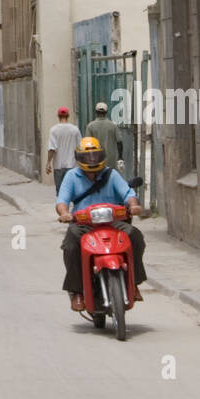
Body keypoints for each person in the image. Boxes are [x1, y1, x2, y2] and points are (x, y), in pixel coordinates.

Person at [55, 136, 147, 312]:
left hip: (113, 223)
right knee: (71, 245)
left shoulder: (111, 174)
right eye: (87, 157)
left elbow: (128, 193)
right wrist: (64, 213)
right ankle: (77, 292)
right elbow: (62, 200)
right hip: (84, 224)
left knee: (135, 236)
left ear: (102, 156)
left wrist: (134, 205)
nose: (92, 160)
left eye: (95, 156)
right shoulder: (71, 176)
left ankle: (133, 282)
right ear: (79, 158)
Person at [45, 107, 81, 192]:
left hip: (59, 166)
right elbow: (80, 147)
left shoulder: (54, 130)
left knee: (61, 193)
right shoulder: (75, 129)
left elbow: (51, 149)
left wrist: (48, 163)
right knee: (73, 192)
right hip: (73, 166)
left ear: (58, 116)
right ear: (68, 116)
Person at [84, 101, 123, 175]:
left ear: (96, 112)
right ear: (106, 112)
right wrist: (120, 157)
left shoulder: (90, 126)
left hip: (95, 161)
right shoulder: (113, 126)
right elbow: (119, 142)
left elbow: (87, 144)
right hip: (110, 161)